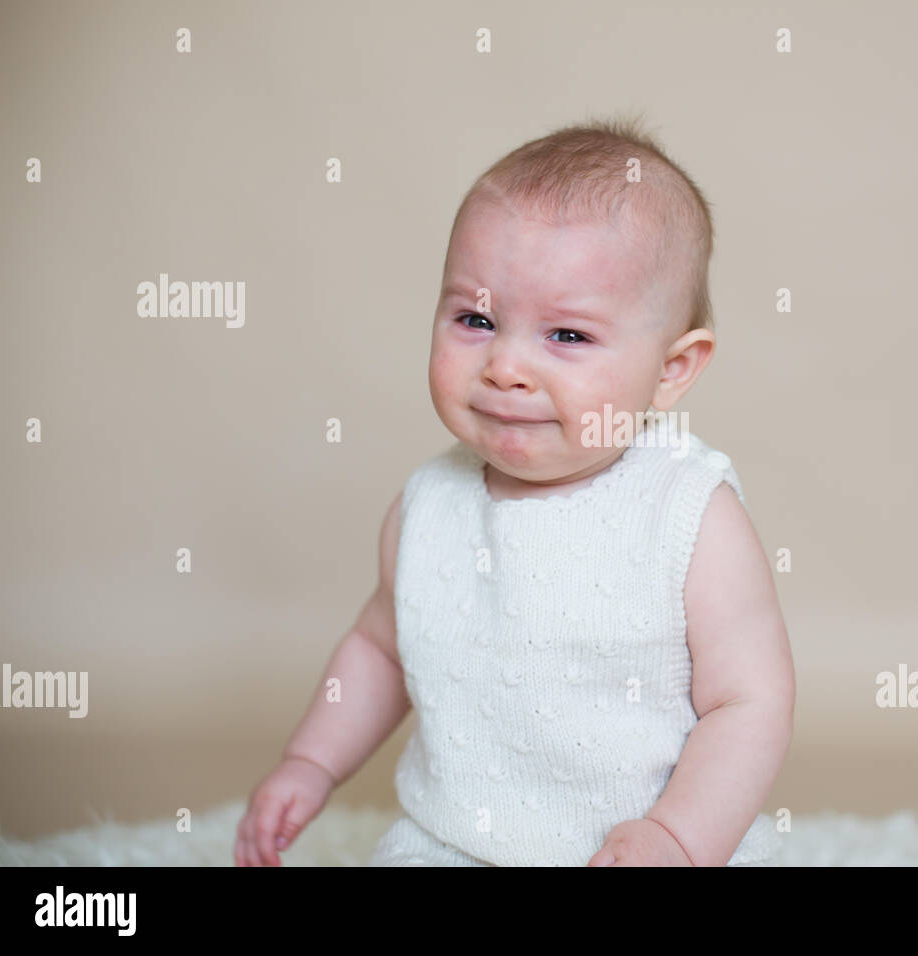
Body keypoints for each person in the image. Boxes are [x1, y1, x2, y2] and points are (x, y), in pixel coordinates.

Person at [234, 116, 795, 866]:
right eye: (475, 319)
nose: (505, 366)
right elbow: (379, 650)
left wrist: (679, 837)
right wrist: (312, 762)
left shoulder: (687, 514)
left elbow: (749, 702)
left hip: (650, 845)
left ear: (672, 369)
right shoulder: (429, 506)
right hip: (454, 841)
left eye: (566, 336)